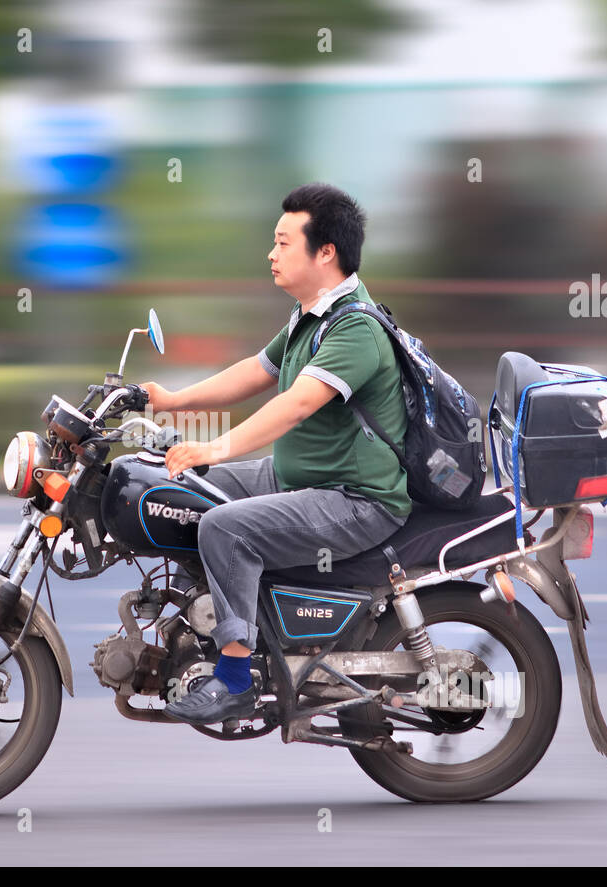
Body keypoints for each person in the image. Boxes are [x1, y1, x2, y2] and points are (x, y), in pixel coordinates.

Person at [138, 183, 412, 725]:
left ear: (325, 252)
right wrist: (172, 400)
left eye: (284, 242)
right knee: (171, 490)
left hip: (356, 498)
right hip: (297, 477)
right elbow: (255, 372)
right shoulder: (307, 317)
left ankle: (235, 677)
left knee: (223, 528)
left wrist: (212, 446)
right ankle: (212, 617)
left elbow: (294, 406)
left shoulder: (354, 327)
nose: (272, 253)